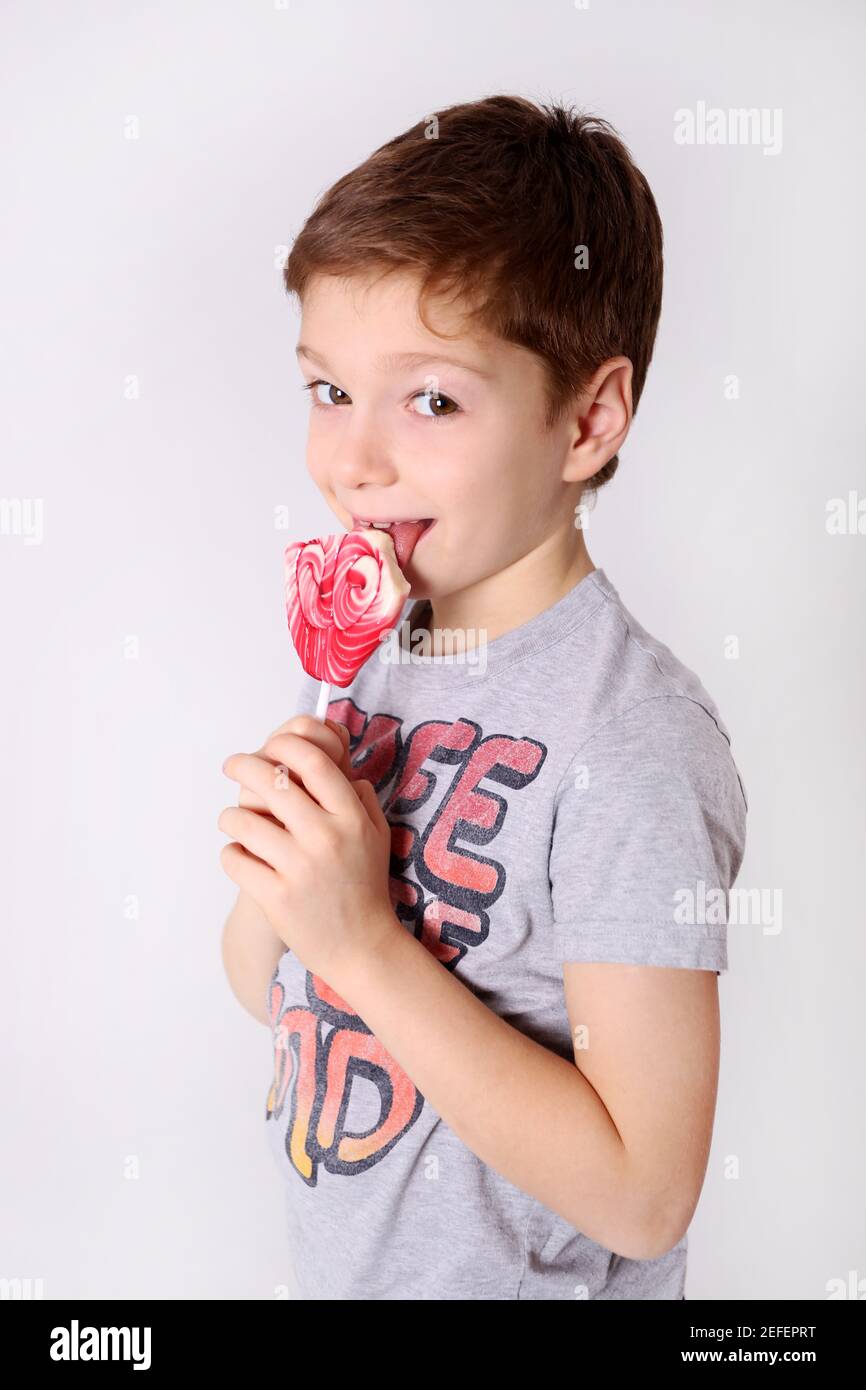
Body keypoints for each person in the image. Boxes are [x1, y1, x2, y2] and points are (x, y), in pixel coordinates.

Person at [219, 95, 748, 1300]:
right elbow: (271, 988)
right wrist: (296, 845)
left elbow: (643, 1189)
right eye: (327, 389)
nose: (352, 460)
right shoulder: (372, 657)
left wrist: (361, 936)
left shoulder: (631, 740)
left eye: (432, 399)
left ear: (586, 418)